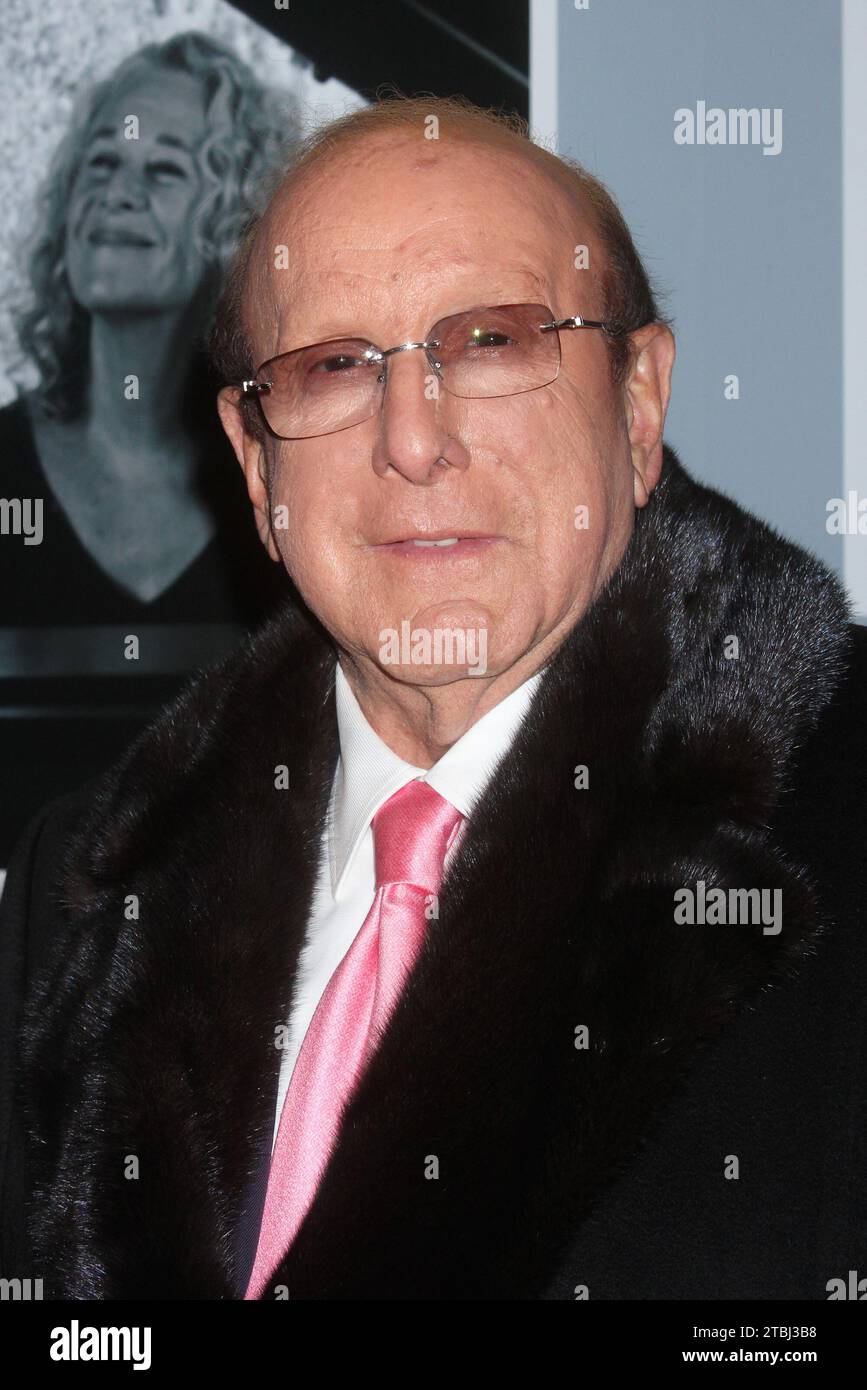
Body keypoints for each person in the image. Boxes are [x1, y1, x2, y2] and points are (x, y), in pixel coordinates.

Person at [0, 94, 864, 1301]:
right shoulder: (81, 882)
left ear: (639, 404)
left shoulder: (835, 817)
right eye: (334, 366)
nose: (414, 438)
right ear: (257, 468)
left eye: (494, 342)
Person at [0, 31, 289, 861]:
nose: (117, 194)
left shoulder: (284, 478)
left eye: (164, 171)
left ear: (234, 224)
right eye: (101, 163)